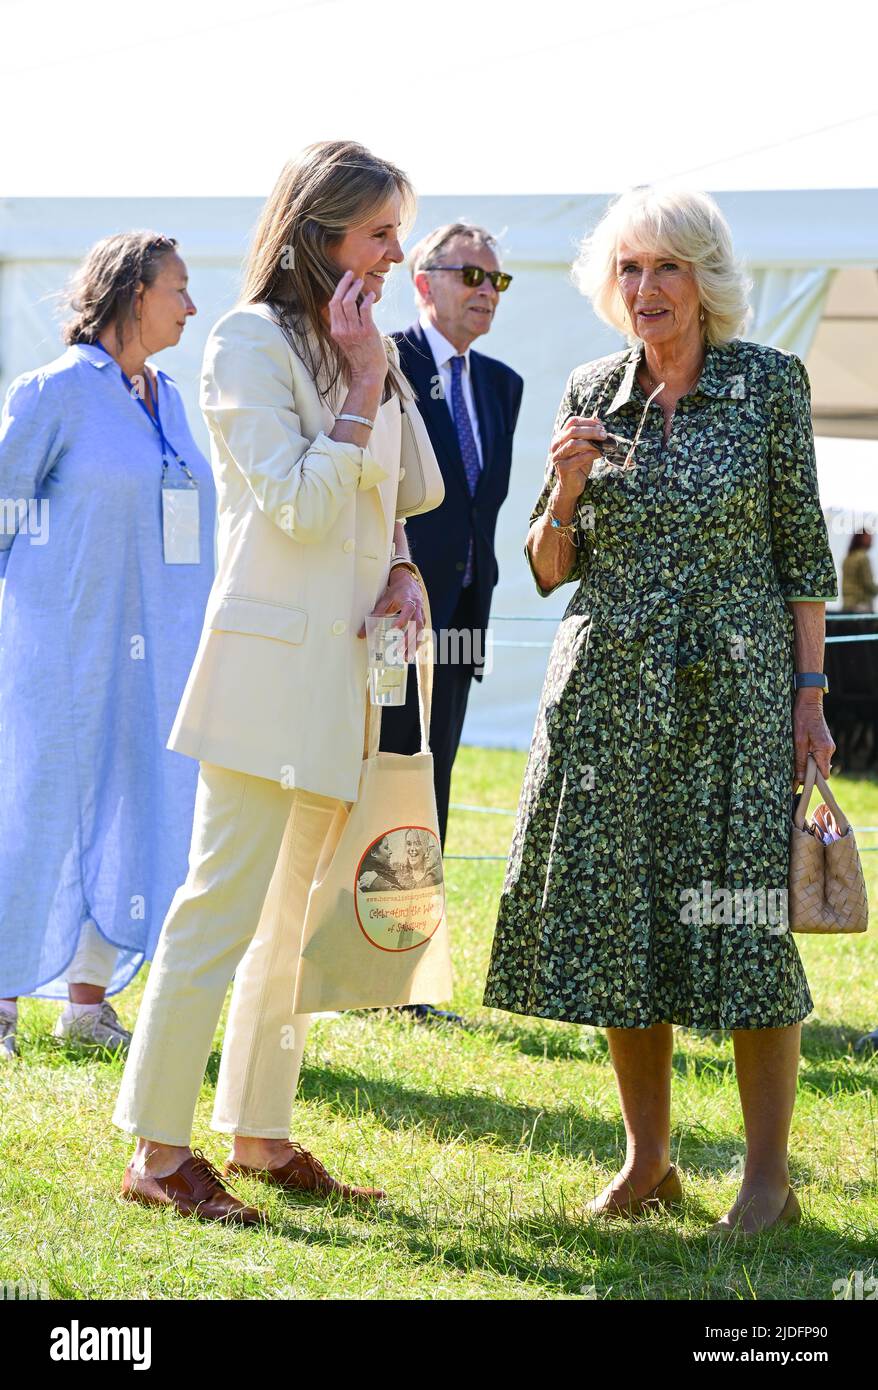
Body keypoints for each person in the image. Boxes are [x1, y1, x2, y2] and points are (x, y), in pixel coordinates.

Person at [482, 187, 838, 1237]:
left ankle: (765, 1179)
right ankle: (648, 1161)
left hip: (730, 696)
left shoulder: (766, 383)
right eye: (628, 270)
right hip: (604, 700)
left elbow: (799, 551)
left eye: (666, 269)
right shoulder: (592, 389)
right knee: (613, 922)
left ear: (705, 281)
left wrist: (807, 695)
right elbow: (548, 570)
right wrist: (562, 490)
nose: (645, 290)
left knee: (741, 923)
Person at [112, 141, 435, 1224]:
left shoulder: (368, 344)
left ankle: (257, 1132)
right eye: (380, 234)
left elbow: (403, 488)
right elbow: (297, 503)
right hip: (259, 676)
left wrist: (398, 568)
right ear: (319, 235)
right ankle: (159, 1154)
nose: (398, 254)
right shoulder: (246, 343)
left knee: (293, 925)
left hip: (343, 675)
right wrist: (353, 383)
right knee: (219, 912)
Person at [0, 233, 213, 1062]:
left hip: (154, 653)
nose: (192, 307)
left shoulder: (170, 398)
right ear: (133, 294)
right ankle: (5, 1001)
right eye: (180, 290)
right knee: (37, 810)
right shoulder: (54, 390)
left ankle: (88, 1003)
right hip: (59, 648)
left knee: (134, 802)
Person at [379, 223, 523, 1025]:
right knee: (379, 780)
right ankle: (366, 969)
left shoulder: (501, 385)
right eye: (470, 274)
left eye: (497, 281)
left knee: (431, 786)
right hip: (388, 612)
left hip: (461, 623)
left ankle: (408, 977)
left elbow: (480, 511)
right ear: (423, 280)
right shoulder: (381, 357)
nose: (484, 291)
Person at [841, 530, 877, 612]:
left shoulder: (848, 557)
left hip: (847, 606)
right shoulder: (862, 557)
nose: (871, 540)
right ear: (861, 538)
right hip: (860, 606)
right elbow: (868, 584)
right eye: (869, 537)